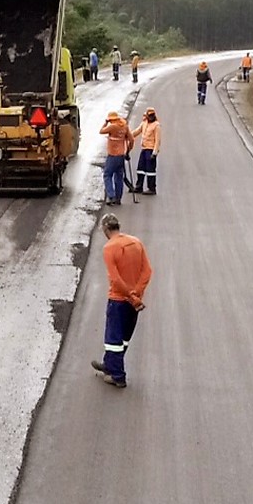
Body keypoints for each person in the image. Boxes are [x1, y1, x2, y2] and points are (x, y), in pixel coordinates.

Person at [90, 212, 151, 388]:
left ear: (105, 229)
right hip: (134, 303)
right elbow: (147, 271)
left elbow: (115, 279)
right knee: (124, 338)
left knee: (113, 339)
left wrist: (130, 296)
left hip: (118, 300)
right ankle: (109, 365)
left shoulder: (110, 248)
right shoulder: (136, 242)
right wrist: (136, 294)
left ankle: (118, 376)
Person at [98, 110, 132, 205]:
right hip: (121, 156)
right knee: (119, 177)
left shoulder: (112, 127)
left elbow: (101, 131)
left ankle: (111, 196)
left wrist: (105, 123)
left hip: (112, 156)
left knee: (107, 175)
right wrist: (128, 151)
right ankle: (118, 198)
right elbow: (131, 140)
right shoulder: (124, 126)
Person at [135, 107, 160, 195]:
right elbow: (136, 132)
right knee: (140, 168)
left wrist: (154, 153)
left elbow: (157, 140)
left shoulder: (156, 125)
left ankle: (152, 188)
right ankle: (139, 186)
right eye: (149, 115)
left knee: (150, 171)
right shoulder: (144, 123)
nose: (151, 117)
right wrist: (127, 135)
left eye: (152, 115)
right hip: (144, 149)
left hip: (151, 150)